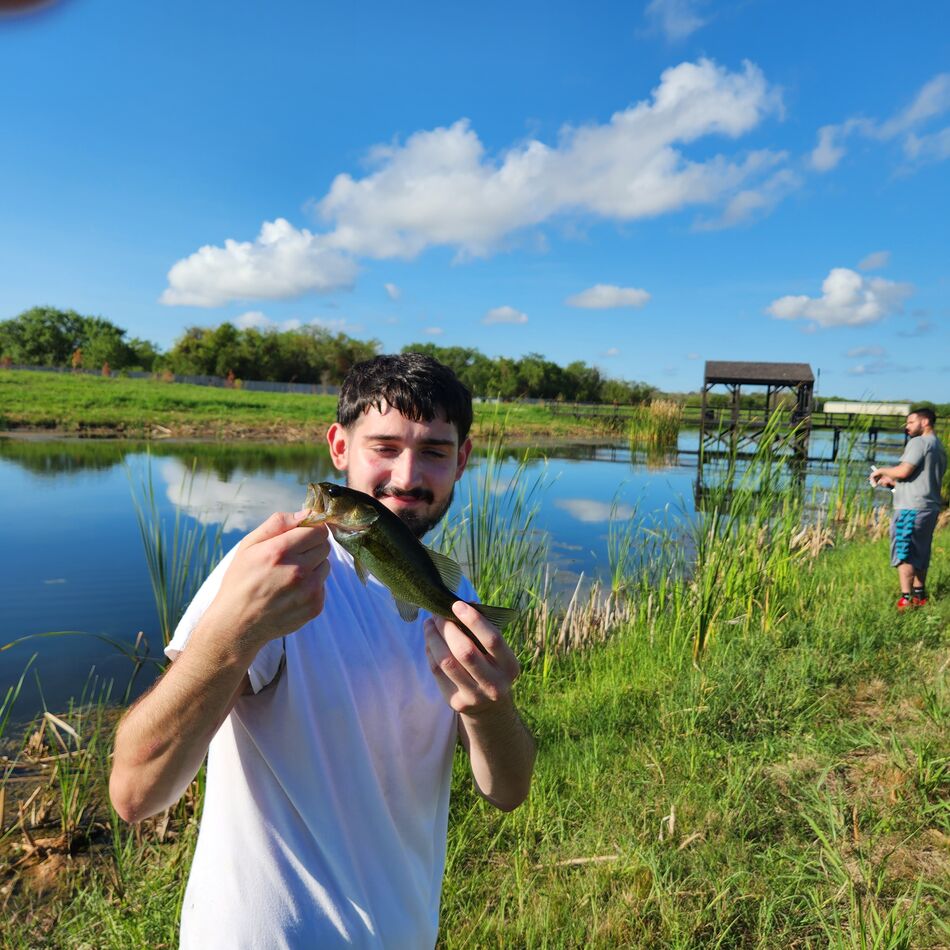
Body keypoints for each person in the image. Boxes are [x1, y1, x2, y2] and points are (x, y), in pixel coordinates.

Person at [109, 353, 537, 948]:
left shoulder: (450, 593)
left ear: (462, 460)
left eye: (434, 451)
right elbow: (135, 793)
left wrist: (491, 709)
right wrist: (233, 632)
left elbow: (508, 792)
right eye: (383, 447)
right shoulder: (271, 575)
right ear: (339, 447)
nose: (407, 476)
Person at [870, 406, 947, 610]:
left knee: (904, 552)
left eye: (910, 422)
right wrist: (892, 484)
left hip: (911, 508)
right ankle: (920, 595)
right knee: (920, 550)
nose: (907, 426)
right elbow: (921, 480)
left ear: (924, 422)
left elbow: (904, 471)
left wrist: (880, 471)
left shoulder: (919, 442)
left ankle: (906, 598)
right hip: (928, 507)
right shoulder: (938, 446)